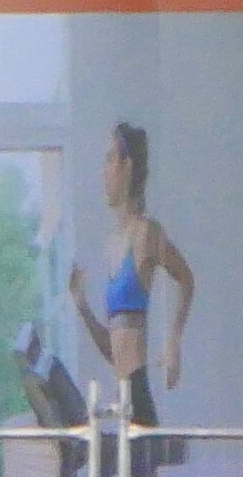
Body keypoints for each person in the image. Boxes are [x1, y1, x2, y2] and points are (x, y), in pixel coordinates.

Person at [64, 121, 193, 436]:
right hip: (122, 391)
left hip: (136, 390)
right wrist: (83, 308)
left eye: (110, 160)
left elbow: (186, 278)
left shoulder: (147, 234)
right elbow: (114, 348)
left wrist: (174, 340)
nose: (104, 172)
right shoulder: (112, 243)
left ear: (128, 166)